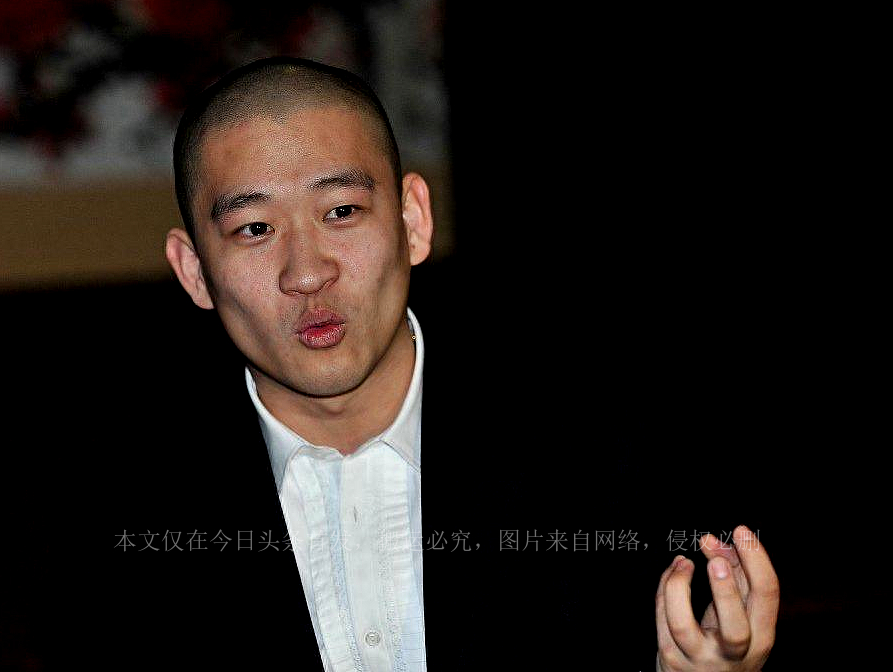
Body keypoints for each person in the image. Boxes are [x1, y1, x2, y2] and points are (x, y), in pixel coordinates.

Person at [151, 56, 779, 670]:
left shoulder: (602, 457)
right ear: (194, 271)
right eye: (255, 229)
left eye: (341, 211)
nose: (308, 272)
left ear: (412, 220)